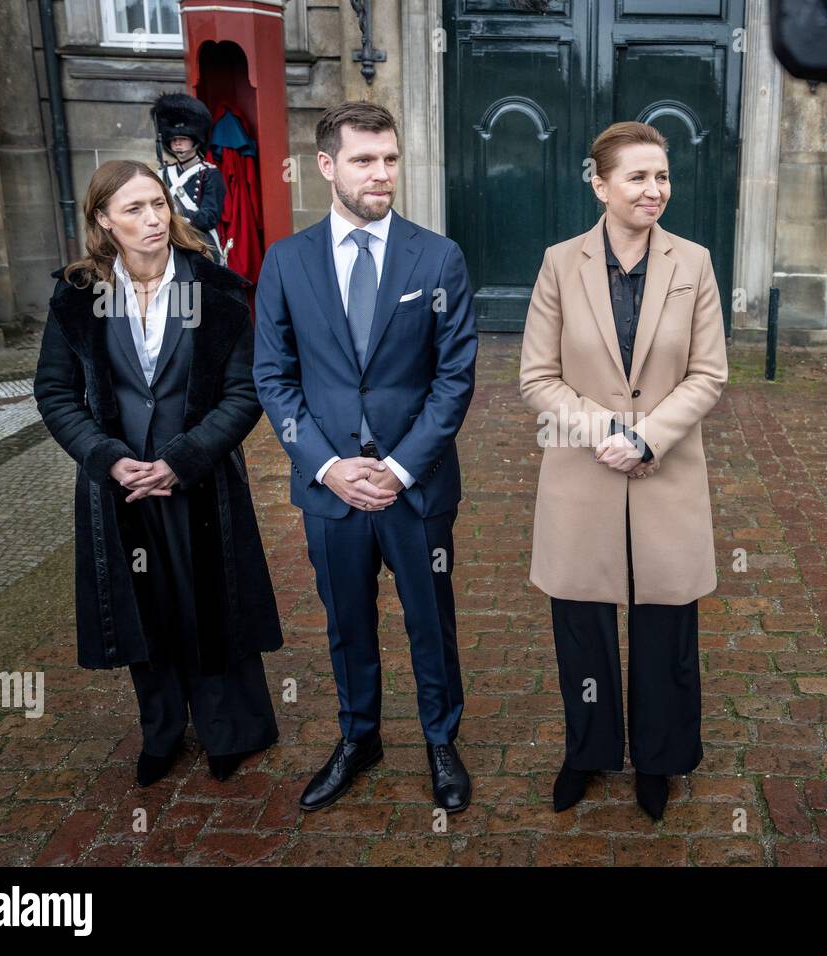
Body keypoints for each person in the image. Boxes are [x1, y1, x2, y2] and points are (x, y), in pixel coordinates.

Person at [254, 102, 478, 814]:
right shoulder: (286, 261)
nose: (381, 174)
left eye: (389, 159)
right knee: (346, 620)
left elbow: (454, 378)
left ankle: (441, 740)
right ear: (327, 165)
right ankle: (359, 737)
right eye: (364, 160)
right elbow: (273, 376)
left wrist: (401, 467)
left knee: (428, 619)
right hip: (330, 491)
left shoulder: (437, 256)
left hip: (416, 488)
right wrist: (326, 466)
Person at [34, 159, 281, 787]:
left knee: (212, 599)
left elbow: (244, 391)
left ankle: (231, 729)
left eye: (158, 205)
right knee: (144, 607)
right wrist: (108, 459)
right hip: (119, 486)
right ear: (102, 222)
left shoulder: (217, 288)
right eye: (133, 210)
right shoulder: (77, 295)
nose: (152, 220)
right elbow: (56, 394)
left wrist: (182, 459)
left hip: (198, 477)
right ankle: (163, 729)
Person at [519, 122, 728, 821]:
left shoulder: (693, 264)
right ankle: (588, 750)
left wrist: (648, 437)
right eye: (638, 176)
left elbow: (708, 374)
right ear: (600, 182)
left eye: (662, 176)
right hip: (583, 474)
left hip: (665, 474)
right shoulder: (559, 263)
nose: (654, 189)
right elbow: (537, 377)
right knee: (581, 625)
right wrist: (608, 432)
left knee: (666, 629)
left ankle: (660, 761)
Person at [151, 93, 229, 266]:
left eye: (183, 139)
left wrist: (177, 215)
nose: (177, 144)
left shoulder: (210, 174)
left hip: (200, 241)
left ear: (195, 140)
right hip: (170, 241)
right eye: (174, 140)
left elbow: (209, 217)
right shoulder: (163, 174)